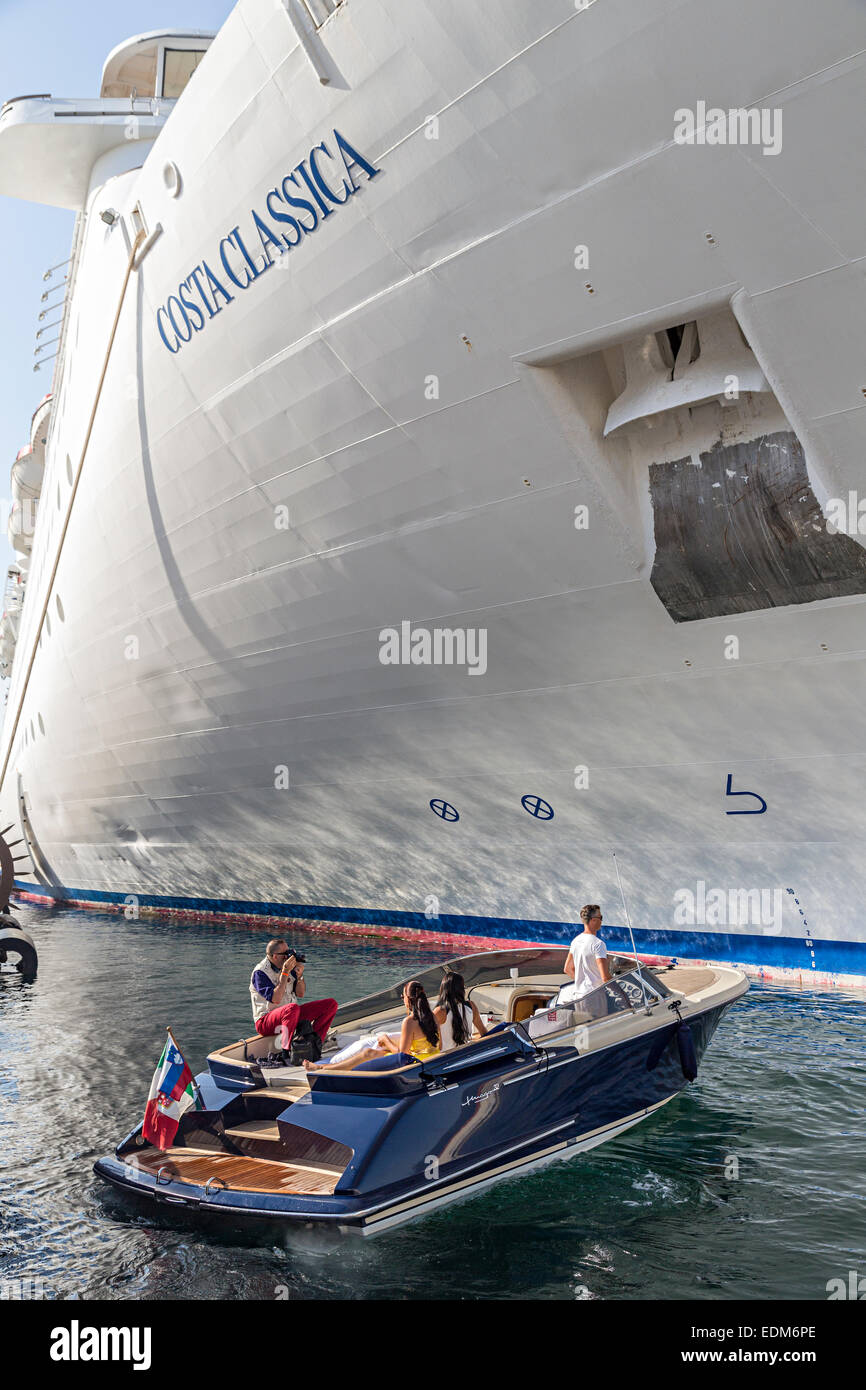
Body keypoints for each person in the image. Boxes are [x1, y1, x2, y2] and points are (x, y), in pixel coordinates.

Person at [304, 979, 440, 1072]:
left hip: (414, 1064)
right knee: (375, 1052)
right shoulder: (433, 1016)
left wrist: (387, 1042)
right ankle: (328, 1067)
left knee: (368, 1053)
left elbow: (403, 1056)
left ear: (408, 999)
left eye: (402, 996)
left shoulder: (409, 1021)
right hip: (429, 1059)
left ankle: (323, 1068)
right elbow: (439, 1046)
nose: (402, 999)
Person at [250, 937, 338, 1054]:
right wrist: (285, 973)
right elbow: (275, 999)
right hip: (266, 1021)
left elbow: (300, 994)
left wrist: (300, 976)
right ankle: (286, 1051)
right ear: (275, 956)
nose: (289, 957)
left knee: (330, 1004)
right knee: (292, 1008)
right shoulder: (260, 973)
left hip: (290, 1015)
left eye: (289, 952)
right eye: (285, 954)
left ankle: (315, 1044)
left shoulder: (287, 966)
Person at [557, 904, 611, 1004]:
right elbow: (605, 977)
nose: (601, 921)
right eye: (601, 917)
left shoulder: (575, 941)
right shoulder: (598, 944)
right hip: (595, 997)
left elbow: (568, 969)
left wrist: (581, 982)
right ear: (593, 920)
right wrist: (621, 993)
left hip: (578, 996)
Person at [433, 968, 487, 1051]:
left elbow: (431, 1041)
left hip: (446, 1059)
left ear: (443, 988)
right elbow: (484, 1033)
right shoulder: (471, 1006)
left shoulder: (440, 1011)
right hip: (465, 1054)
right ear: (461, 989)